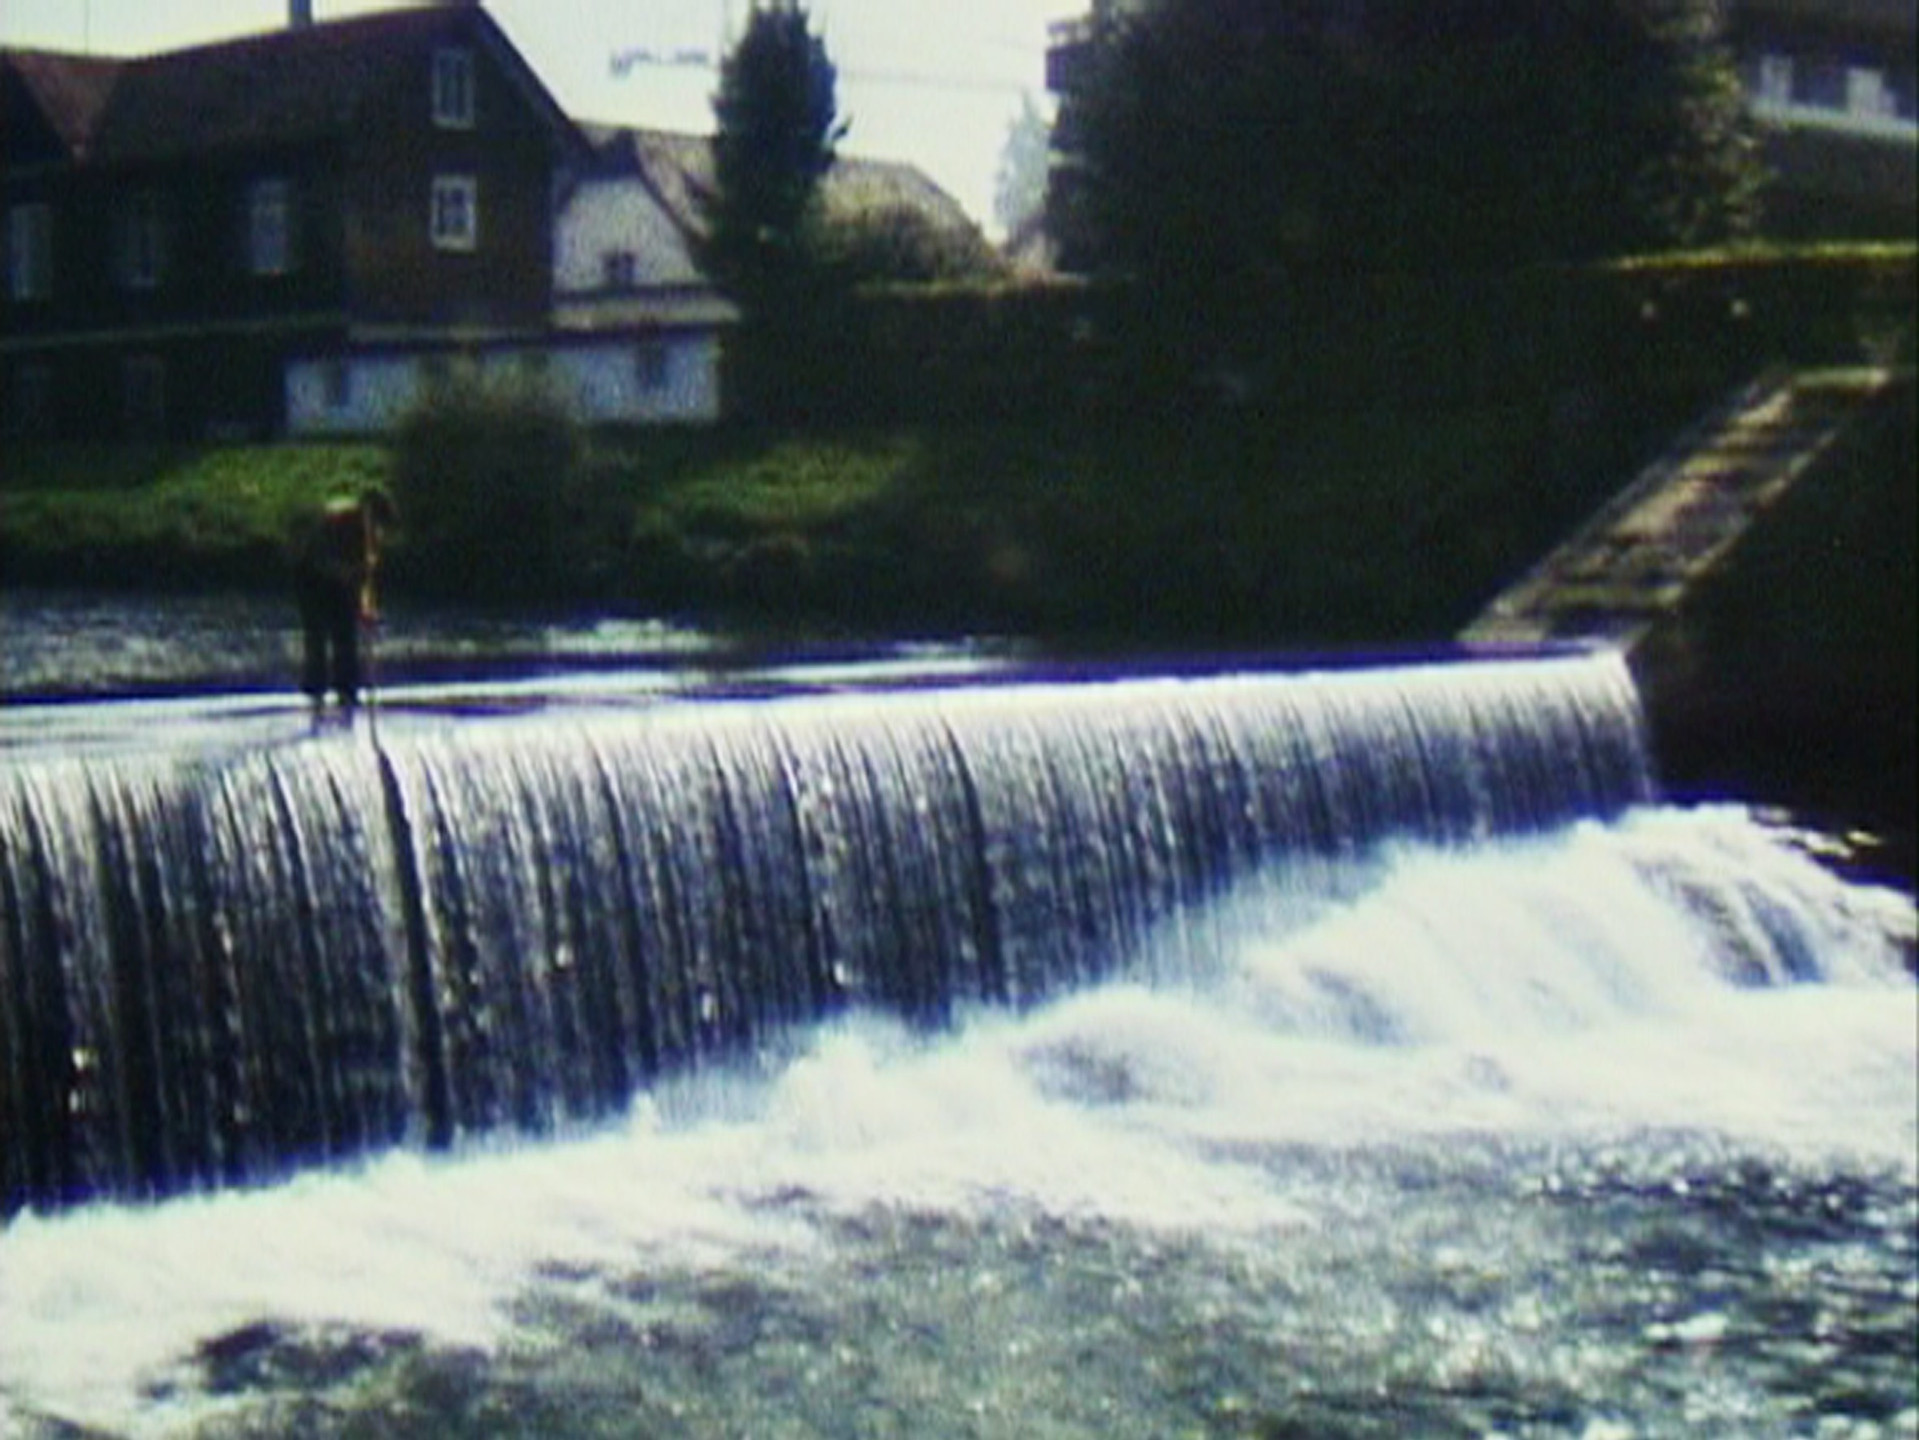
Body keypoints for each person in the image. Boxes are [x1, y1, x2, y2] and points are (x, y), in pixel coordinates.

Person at [292, 486, 397, 719]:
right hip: (312, 579)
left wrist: (367, 608)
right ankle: (315, 690)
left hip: (340, 582)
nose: (378, 529)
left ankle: (347, 690)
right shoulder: (339, 521)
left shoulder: (371, 538)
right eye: (377, 521)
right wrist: (344, 575)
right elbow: (319, 558)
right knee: (317, 636)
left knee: (346, 635)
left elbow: (365, 578)